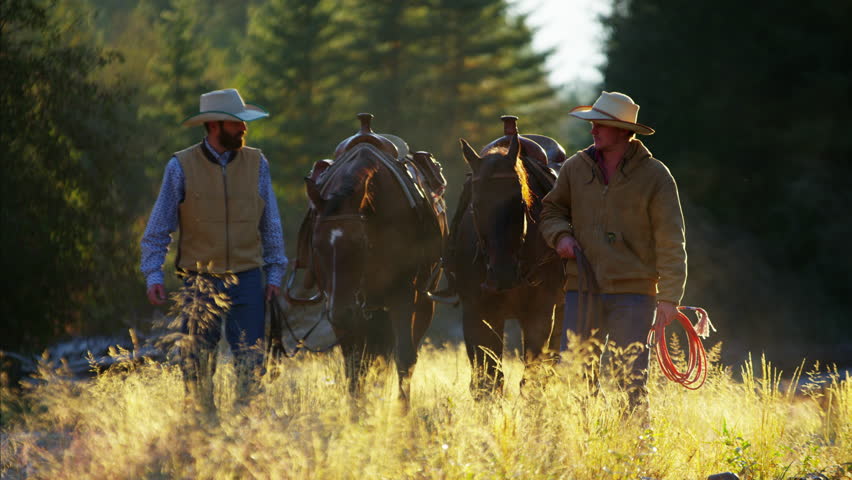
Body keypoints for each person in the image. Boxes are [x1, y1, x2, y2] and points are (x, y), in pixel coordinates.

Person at [540, 91, 687, 411]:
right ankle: (581, 448)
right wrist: (561, 237)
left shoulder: (655, 175)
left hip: (634, 293)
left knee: (630, 378)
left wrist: (669, 298)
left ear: (623, 131)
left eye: (601, 125)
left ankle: (634, 448)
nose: (593, 130)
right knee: (577, 376)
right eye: (593, 123)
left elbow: (671, 240)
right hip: (582, 288)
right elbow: (551, 211)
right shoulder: (575, 168)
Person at [140, 88, 288, 384]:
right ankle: (200, 424)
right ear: (213, 126)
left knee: (252, 362)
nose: (244, 127)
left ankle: (248, 423)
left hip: (247, 278)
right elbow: (158, 227)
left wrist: (274, 273)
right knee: (196, 364)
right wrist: (152, 274)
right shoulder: (179, 166)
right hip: (198, 280)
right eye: (236, 122)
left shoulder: (258, 163)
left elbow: (270, 223)